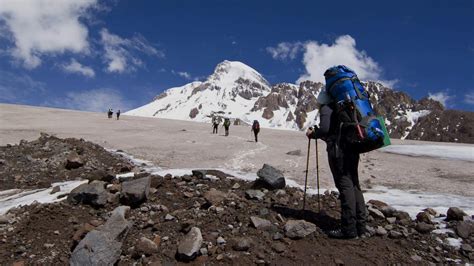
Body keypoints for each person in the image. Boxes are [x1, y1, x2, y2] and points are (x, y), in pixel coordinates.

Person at [306, 89, 368, 239]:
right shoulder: (345, 107)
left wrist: (313, 134)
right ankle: (361, 228)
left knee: (345, 185)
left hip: (339, 153)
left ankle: (349, 230)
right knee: (354, 184)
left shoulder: (328, 108)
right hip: (352, 149)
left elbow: (326, 129)